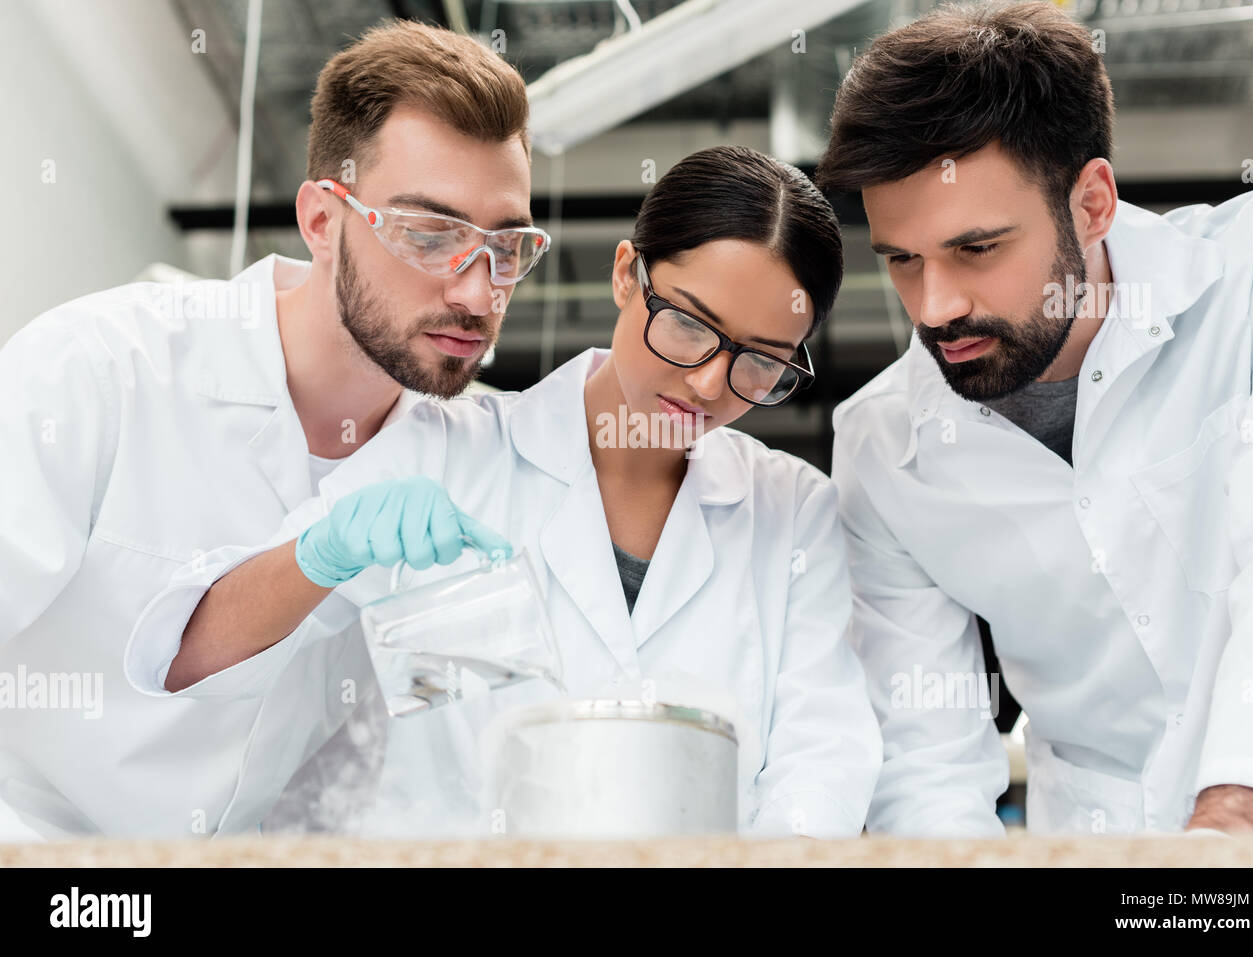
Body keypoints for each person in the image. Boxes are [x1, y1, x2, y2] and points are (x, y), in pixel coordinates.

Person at [126, 145, 882, 838]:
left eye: (762, 362)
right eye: (689, 326)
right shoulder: (445, 450)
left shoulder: (792, 510)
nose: (711, 383)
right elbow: (187, 654)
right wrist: (320, 555)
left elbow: (822, 754)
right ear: (627, 274)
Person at [0, 21, 546, 839]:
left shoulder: (471, 455)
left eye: (506, 247)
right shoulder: (96, 369)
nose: (478, 293)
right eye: (431, 236)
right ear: (323, 221)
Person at [818, 1, 1253, 836]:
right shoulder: (882, 447)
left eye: (977, 249)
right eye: (901, 260)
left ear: (1092, 203)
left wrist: (1246, 814)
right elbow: (925, 766)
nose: (935, 309)